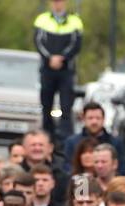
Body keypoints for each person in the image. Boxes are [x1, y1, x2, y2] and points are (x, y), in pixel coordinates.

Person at [34, 0, 84, 142]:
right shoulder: (42, 19)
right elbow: (38, 42)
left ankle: (66, 140)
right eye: (55, 1)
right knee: (46, 105)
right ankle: (47, 137)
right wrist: (50, 58)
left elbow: (76, 44)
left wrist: (62, 58)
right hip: (47, 70)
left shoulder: (75, 21)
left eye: (60, 1)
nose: (58, 4)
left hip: (66, 70)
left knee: (66, 106)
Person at [64, 101, 125, 177]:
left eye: (98, 118)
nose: (94, 122)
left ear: (104, 119)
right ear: (84, 119)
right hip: (82, 184)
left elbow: (122, 170)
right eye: (90, 118)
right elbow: (67, 167)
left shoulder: (116, 142)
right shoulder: (72, 142)